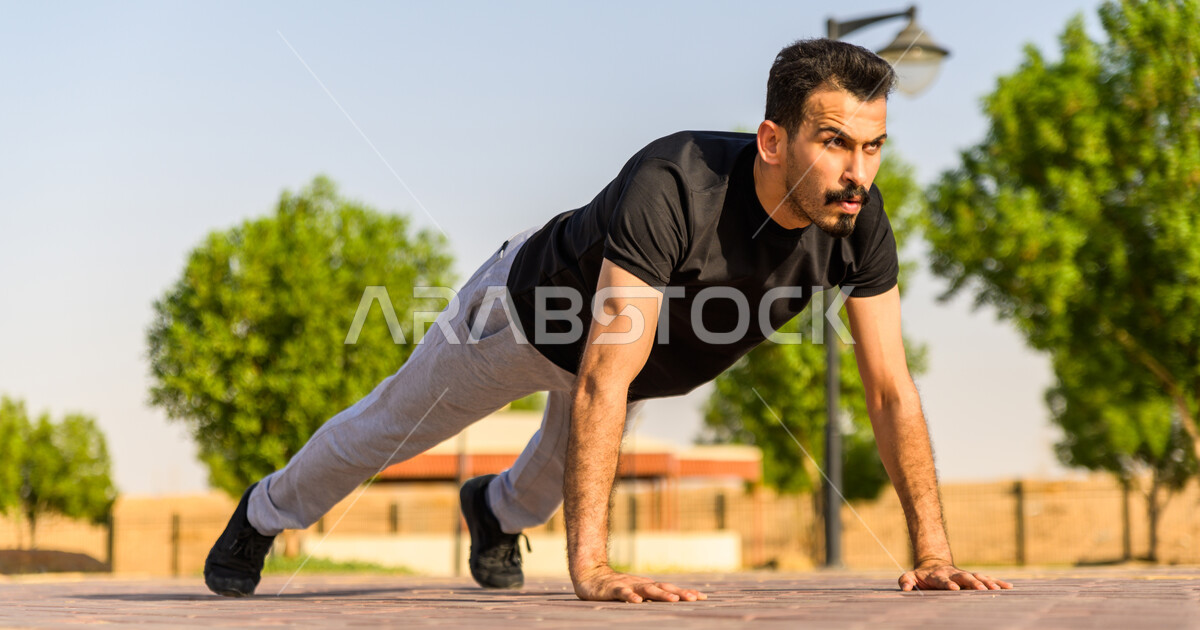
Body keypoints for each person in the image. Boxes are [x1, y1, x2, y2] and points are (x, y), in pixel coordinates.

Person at [204, 38, 1013, 602]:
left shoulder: (857, 224)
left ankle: (491, 512)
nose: (857, 172)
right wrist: (591, 571)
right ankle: (263, 513)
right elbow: (601, 376)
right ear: (773, 138)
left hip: (615, 367)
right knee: (390, 426)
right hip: (523, 320)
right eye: (836, 143)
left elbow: (890, 393)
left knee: (550, 483)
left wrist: (933, 555)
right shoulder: (676, 182)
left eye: (872, 147)